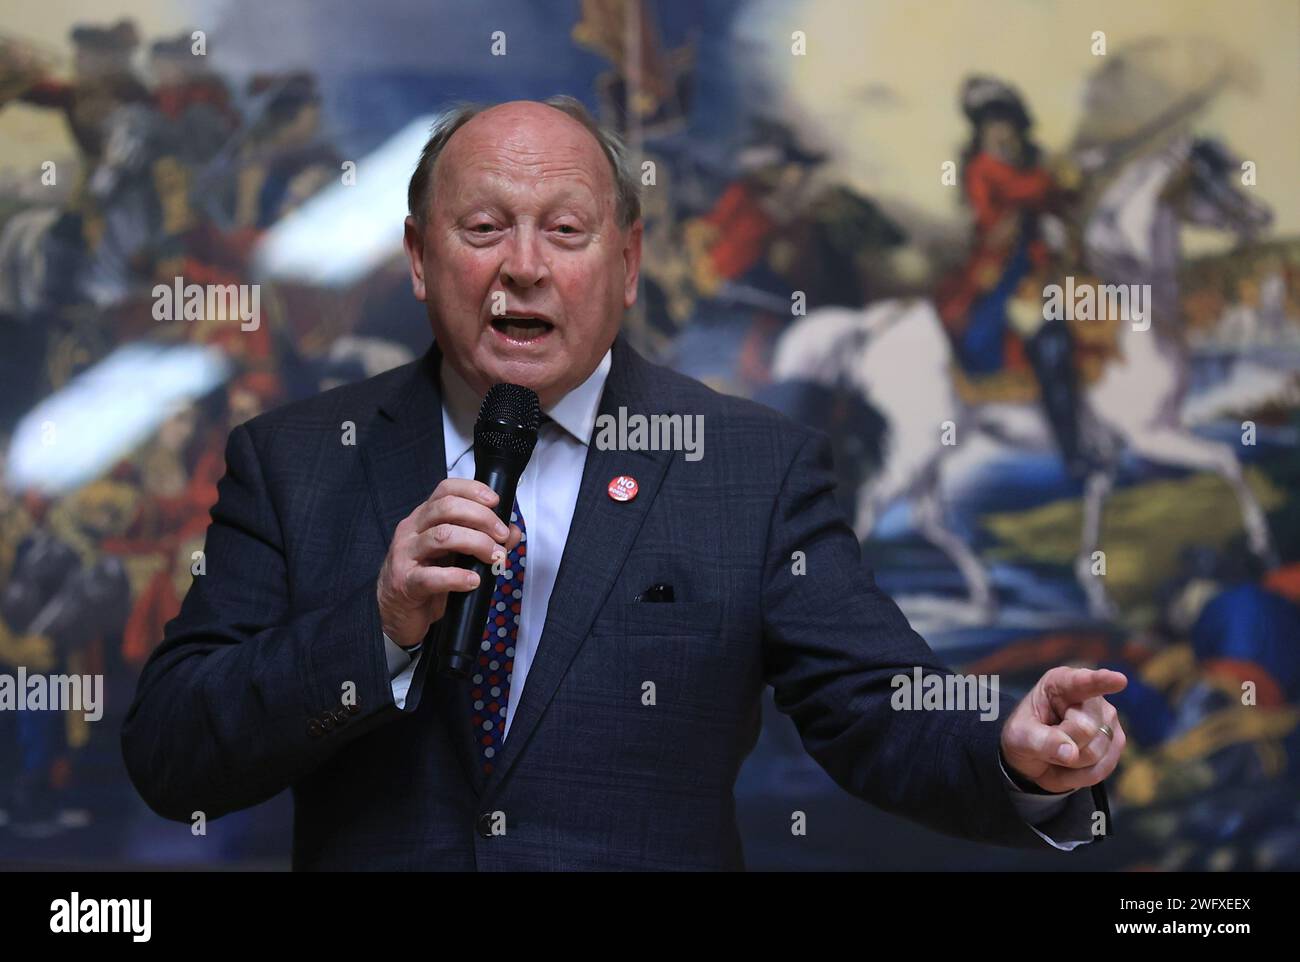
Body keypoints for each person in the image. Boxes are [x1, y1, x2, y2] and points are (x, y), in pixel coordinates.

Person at [121, 97, 1128, 870]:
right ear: (419, 260)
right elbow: (173, 751)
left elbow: (876, 707)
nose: (523, 267)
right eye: (482, 230)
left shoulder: (747, 466)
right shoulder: (297, 458)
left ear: (629, 260)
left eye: (565, 231)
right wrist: (377, 622)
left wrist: (1009, 748)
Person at [937, 76, 1092, 477]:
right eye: (991, 125)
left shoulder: (1030, 168)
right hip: (1003, 278)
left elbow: (1060, 200)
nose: (1000, 132)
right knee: (1052, 339)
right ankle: (1073, 450)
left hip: (1042, 269)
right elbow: (1024, 194)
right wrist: (1057, 177)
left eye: (1005, 122)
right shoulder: (984, 169)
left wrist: (1073, 181)